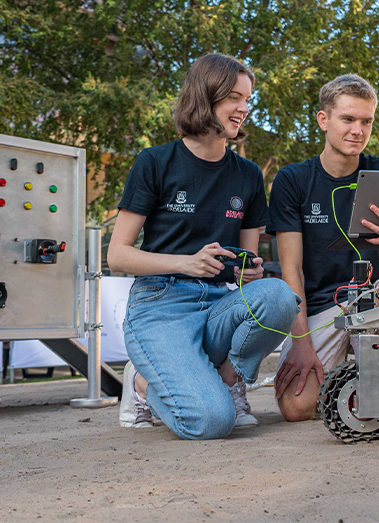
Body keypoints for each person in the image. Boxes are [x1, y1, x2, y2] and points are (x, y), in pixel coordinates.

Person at [108, 53, 300, 439]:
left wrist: (249, 271)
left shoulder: (248, 175)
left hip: (217, 304)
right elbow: (117, 256)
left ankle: (229, 380)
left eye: (247, 100)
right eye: (233, 98)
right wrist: (186, 263)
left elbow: (245, 264)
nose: (244, 108)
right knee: (211, 422)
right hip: (160, 306)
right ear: (205, 97)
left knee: (281, 296)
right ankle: (142, 383)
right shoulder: (155, 162)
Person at [268, 74, 379, 421]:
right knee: (297, 408)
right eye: (348, 119)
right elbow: (291, 270)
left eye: (366, 121)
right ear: (324, 120)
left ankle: (377, 367)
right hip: (321, 307)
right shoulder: (293, 180)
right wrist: (301, 342)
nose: (358, 130)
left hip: (372, 297)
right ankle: (342, 369)